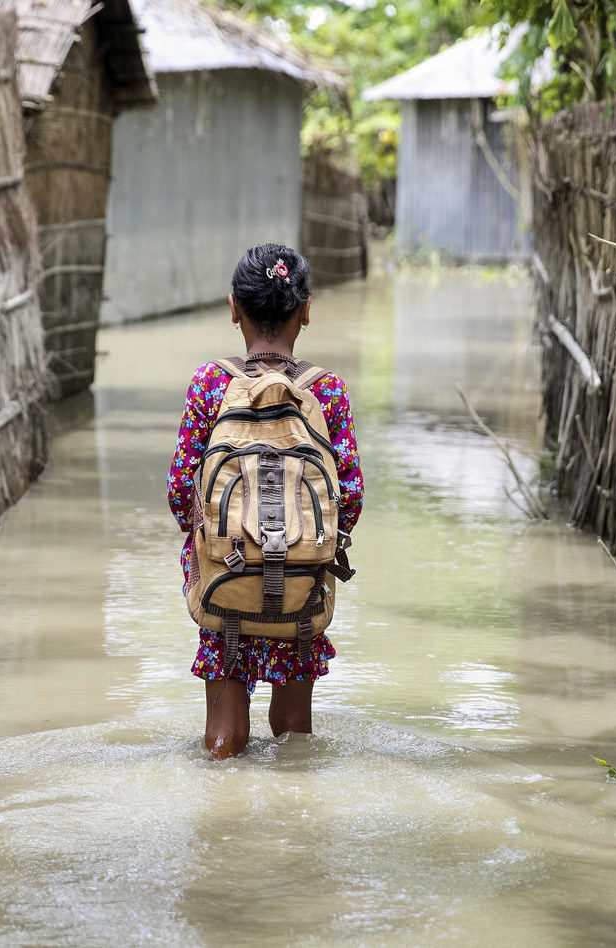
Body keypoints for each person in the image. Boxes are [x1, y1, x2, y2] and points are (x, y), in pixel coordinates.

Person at [166, 243, 364, 759]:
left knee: (224, 737)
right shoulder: (328, 392)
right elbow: (352, 498)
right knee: (295, 735)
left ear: (234, 308)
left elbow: (180, 491)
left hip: (225, 575)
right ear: (306, 310)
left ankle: (223, 815)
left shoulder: (211, 385)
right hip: (301, 582)